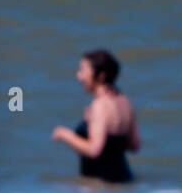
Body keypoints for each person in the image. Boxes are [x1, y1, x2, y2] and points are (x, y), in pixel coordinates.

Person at [52, 49, 139, 183]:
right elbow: (134, 145)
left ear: (101, 76)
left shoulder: (99, 106)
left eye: (83, 71)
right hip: (125, 178)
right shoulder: (124, 101)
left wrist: (65, 135)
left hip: (100, 186)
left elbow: (95, 150)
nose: (79, 76)